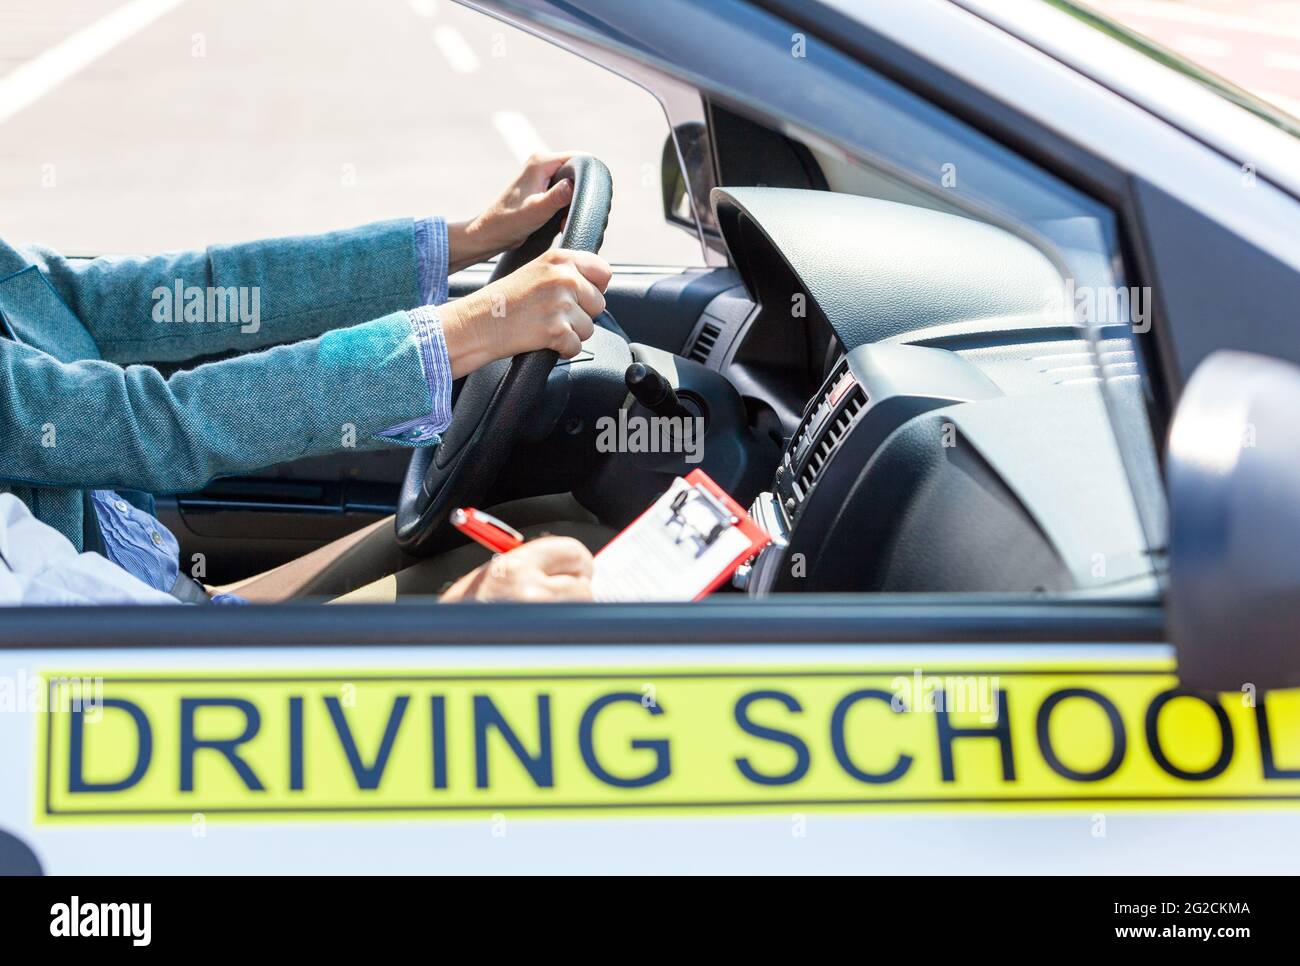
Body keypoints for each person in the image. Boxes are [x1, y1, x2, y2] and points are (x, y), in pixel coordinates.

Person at [0, 153, 605, 604]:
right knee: (570, 557)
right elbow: (156, 424)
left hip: (165, 599)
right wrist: (460, 334)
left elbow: (198, 292)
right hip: (150, 665)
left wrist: (466, 240)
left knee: (547, 521)